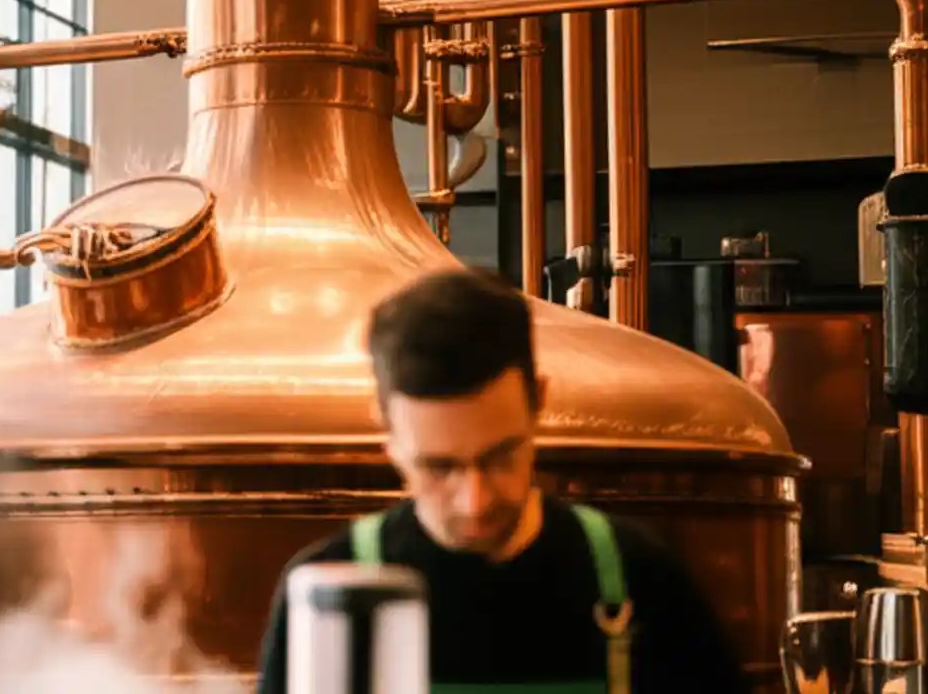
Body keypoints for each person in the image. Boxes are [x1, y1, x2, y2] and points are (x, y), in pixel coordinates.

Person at [254, 268, 748, 693]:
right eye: (438, 467)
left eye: (499, 457)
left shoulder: (639, 578)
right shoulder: (329, 593)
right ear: (389, 433)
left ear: (539, 400)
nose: (474, 500)